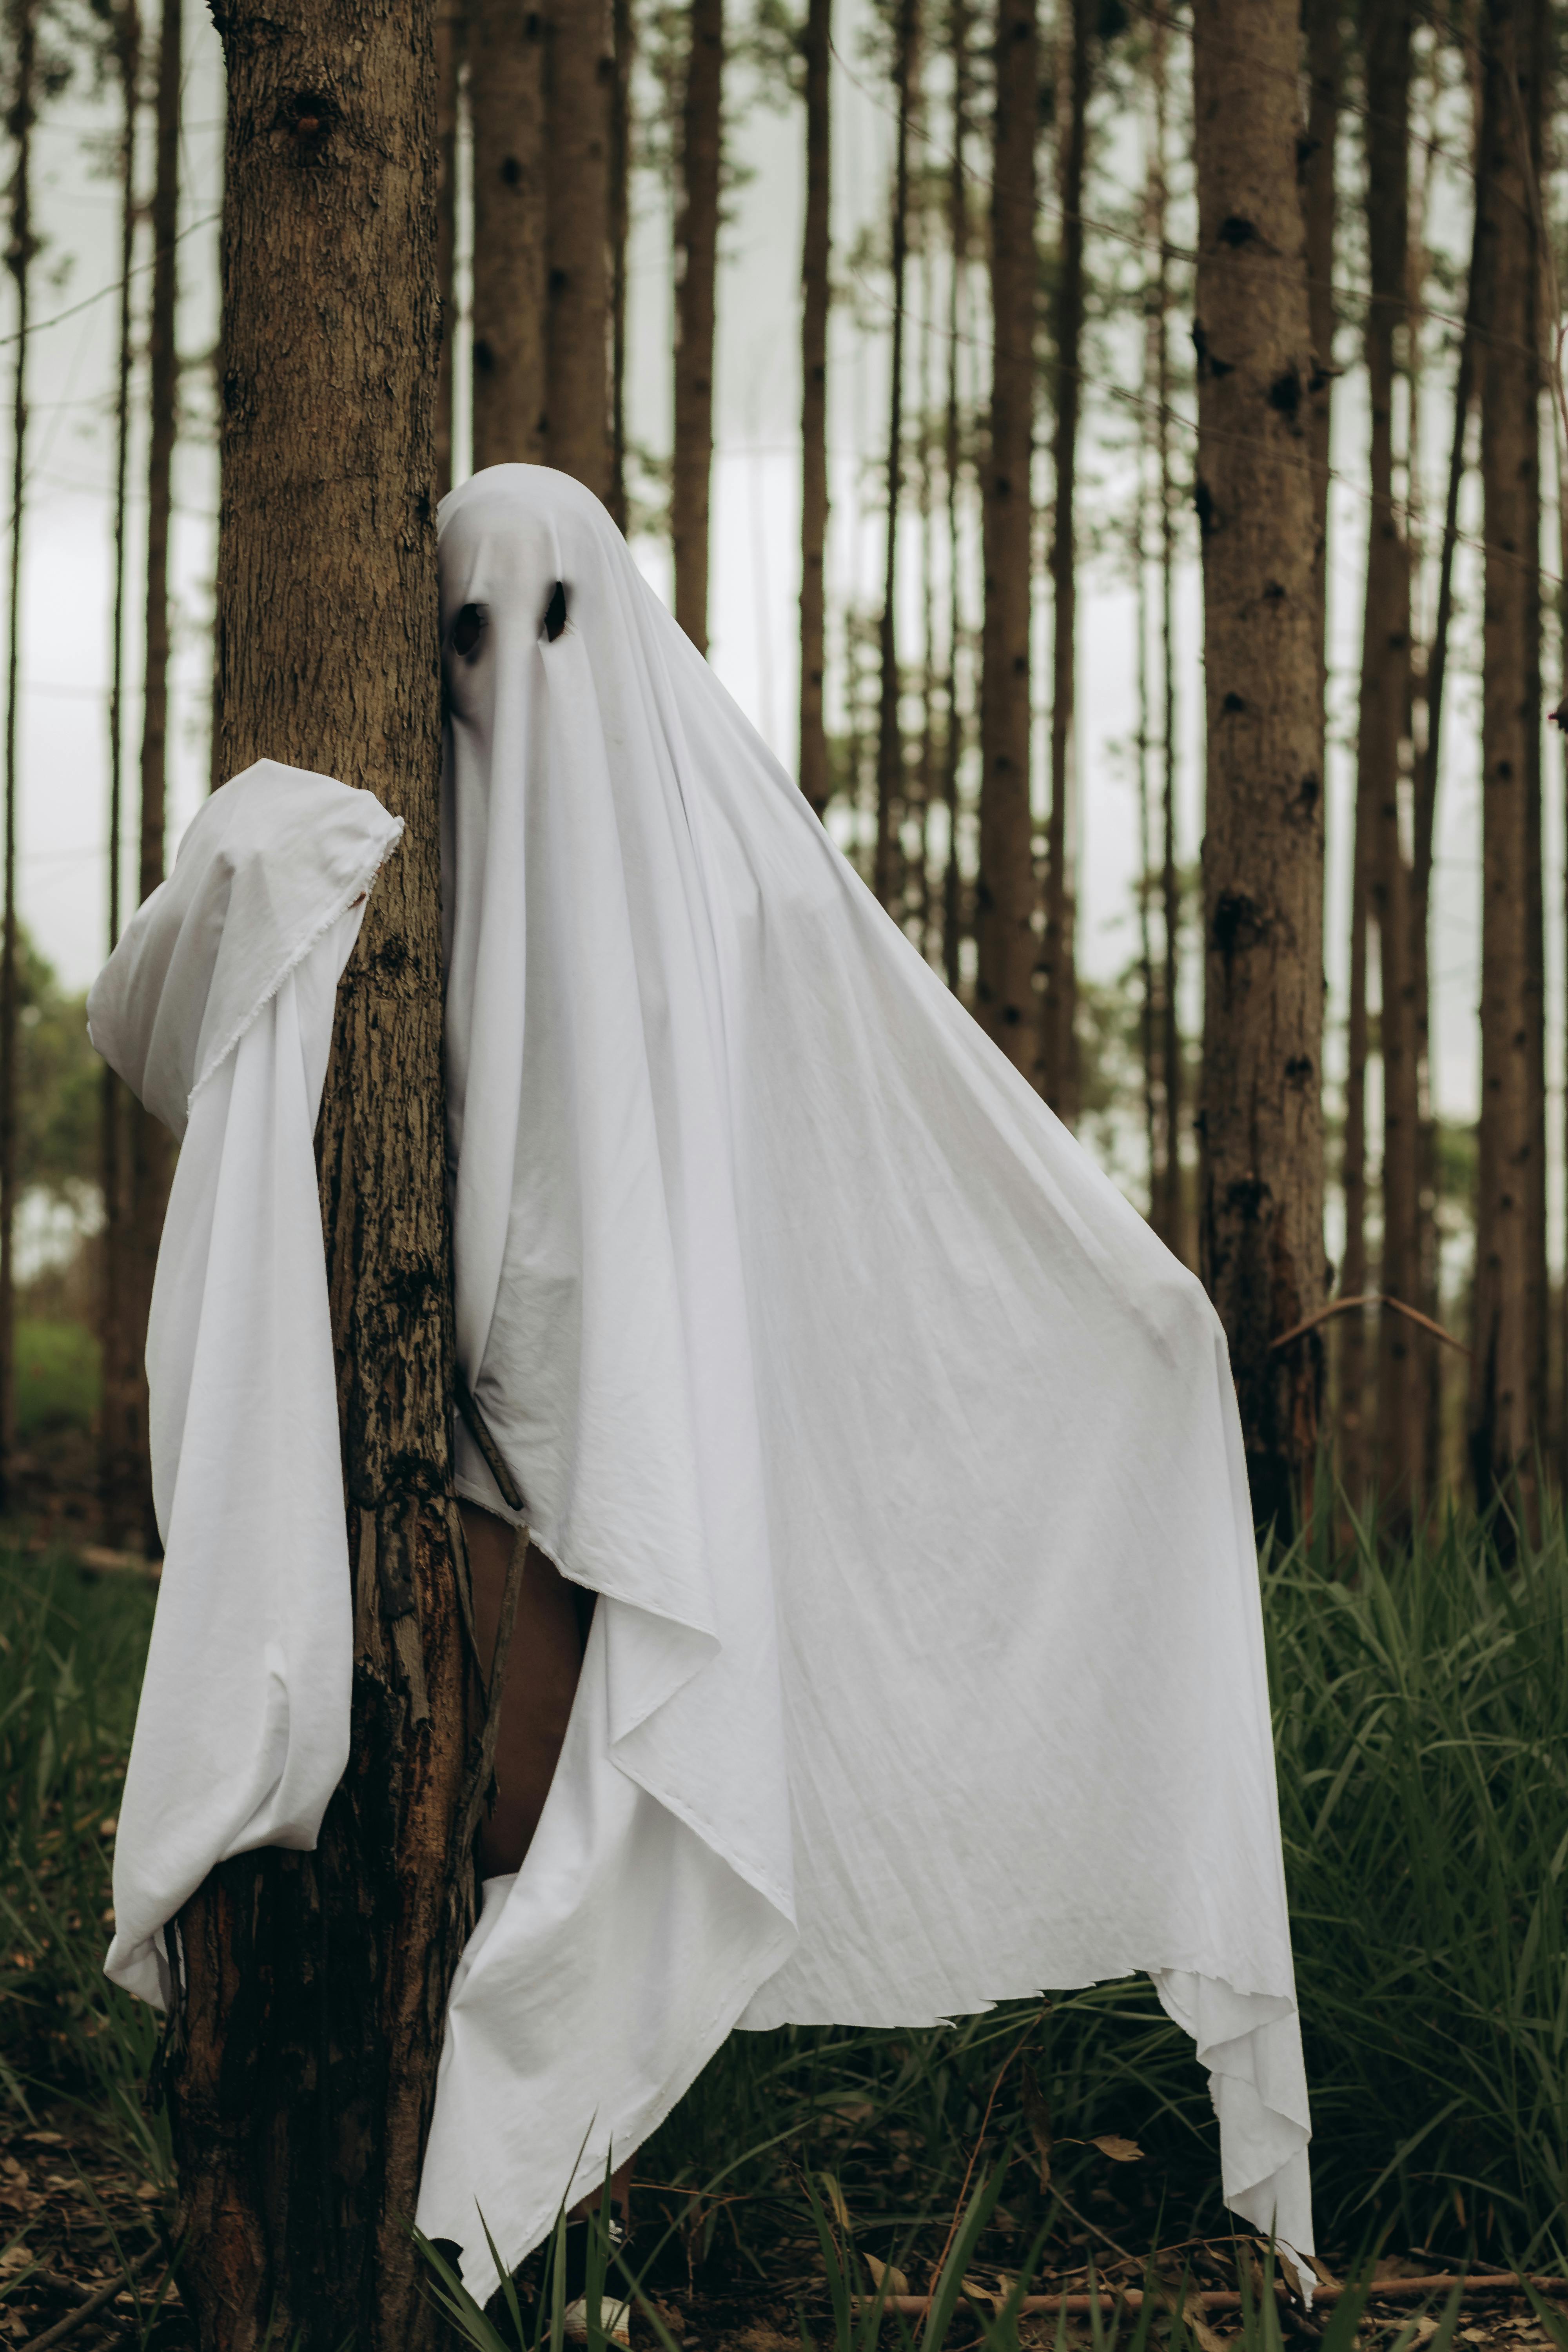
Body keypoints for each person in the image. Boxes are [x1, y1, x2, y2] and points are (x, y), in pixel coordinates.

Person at [90, 464, 1313, 2328]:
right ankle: (447, 2238)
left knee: (601, 1825)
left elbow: (882, 1102)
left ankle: (549, 2249)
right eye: (467, 629)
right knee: (499, 1819)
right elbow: (153, 1013)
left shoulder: (716, 864)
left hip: (639, 1431)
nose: (509, 667)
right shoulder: (378, 851)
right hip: (436, 1419)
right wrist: (253, 867)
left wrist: (1135, 1310)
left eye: (552, 620)